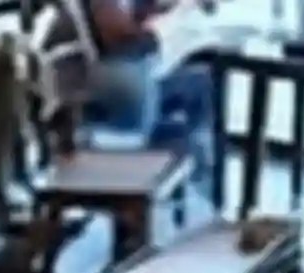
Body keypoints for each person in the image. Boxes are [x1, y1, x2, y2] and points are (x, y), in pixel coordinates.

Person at [50, 0, 216, 179]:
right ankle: (170, 174)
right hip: (99, 86)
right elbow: (122, 40)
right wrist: (166, 27)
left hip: (113, 77)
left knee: (197, 84)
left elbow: (131, 19)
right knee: (187, 89)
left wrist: (166, 11)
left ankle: (193, 182)